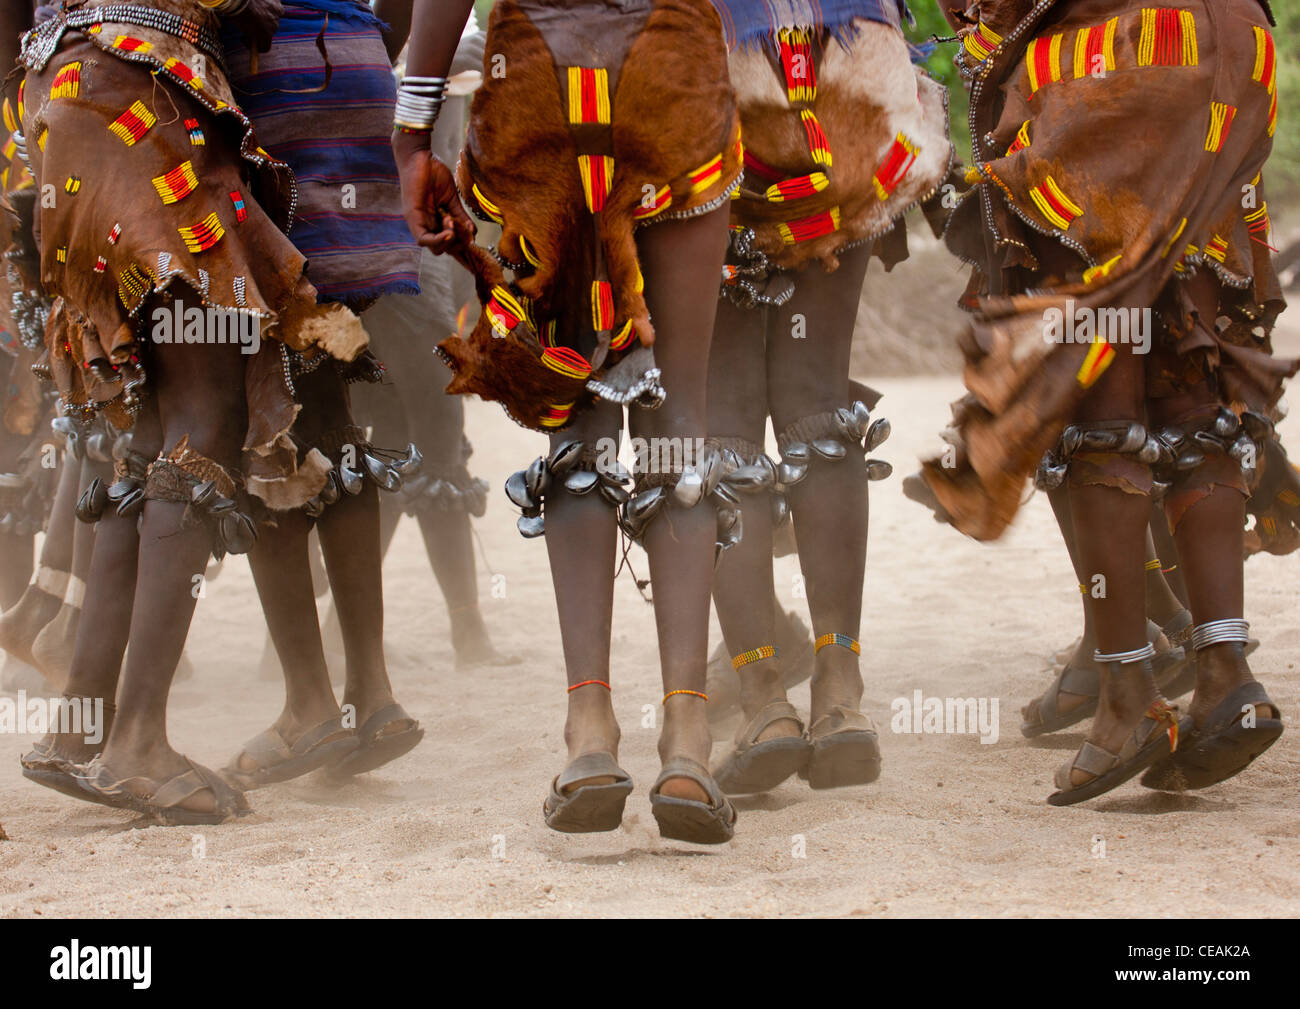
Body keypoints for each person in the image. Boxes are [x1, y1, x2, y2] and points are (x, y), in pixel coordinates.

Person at [922, 0, 1289, 803]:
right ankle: (1224, 670)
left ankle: (1127, 691)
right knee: (1191, 363)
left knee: (1094, 388)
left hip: (1108, 58)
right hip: (1232, 52)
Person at [397, 0, 743, 842]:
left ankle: (590, 731)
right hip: (670, 76)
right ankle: (689, 738)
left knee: (575, 418)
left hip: (538, 89)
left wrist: (413, 135)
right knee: (678, 419)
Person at [703, 0, 953, 794]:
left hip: (715, 69)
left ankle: (765, 700)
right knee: (818, 404)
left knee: (725, 423)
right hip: (852, 66)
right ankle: (840, 694)